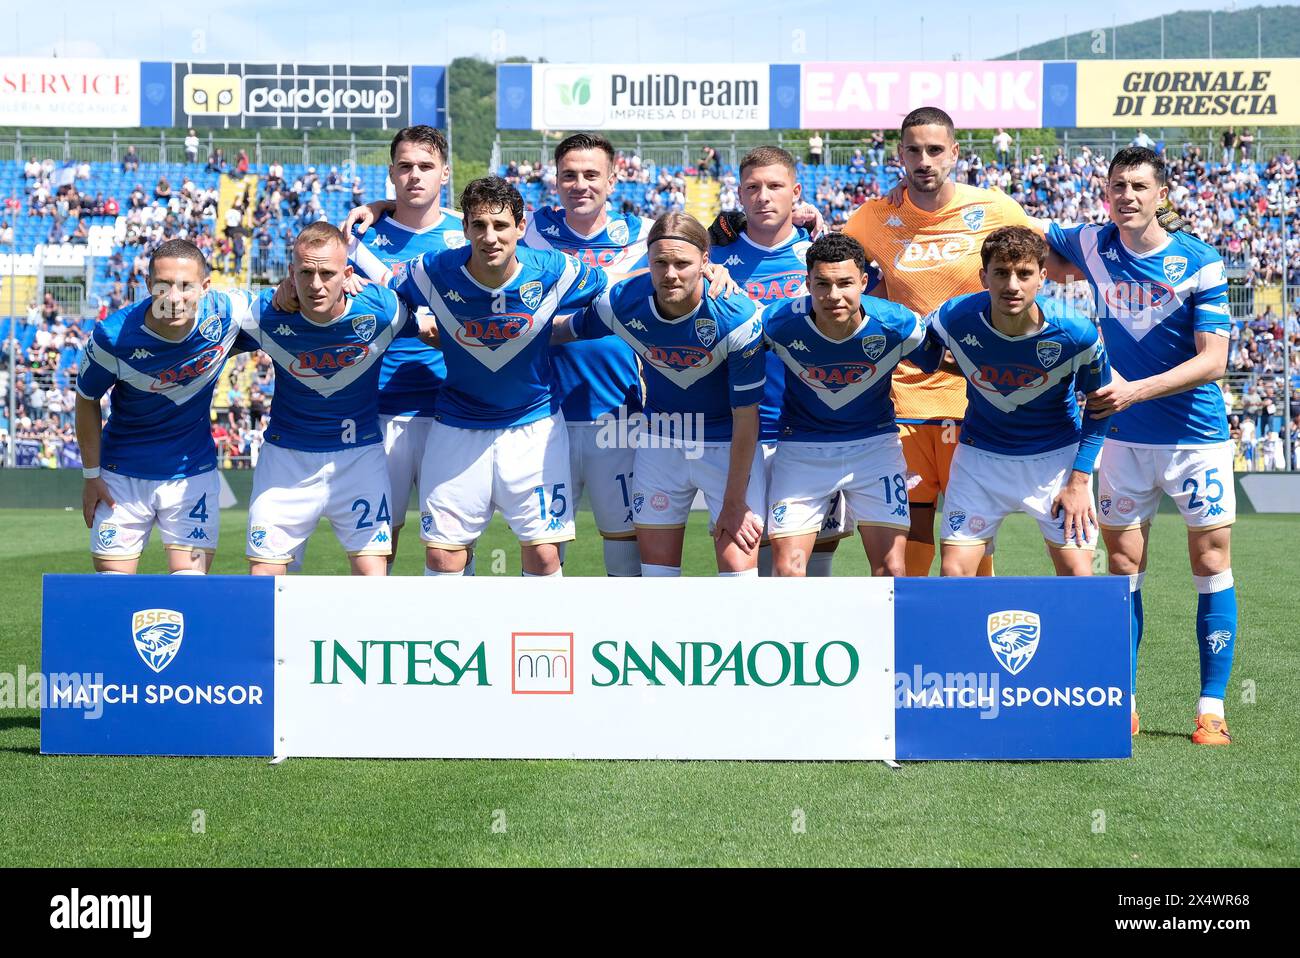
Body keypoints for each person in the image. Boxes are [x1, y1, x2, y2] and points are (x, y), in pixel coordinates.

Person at [1044, 146, 1238, 745]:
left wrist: (1134, 391)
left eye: (1138, 186)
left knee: (1210, 564)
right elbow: (1028, 238)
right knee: (1124, 570)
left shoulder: (1200, 263)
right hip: (1121, 444)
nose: (1126, 195)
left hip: (1193, 439)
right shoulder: (1091, 244)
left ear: (1161, 194)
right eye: (1117, 185)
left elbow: (1214, 361)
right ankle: (1120, 699)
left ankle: (1211, 707)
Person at [374, 177, 611, 578]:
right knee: (443, 557)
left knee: (544, 557)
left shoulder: (557, 270)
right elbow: (381, 301)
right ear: (464, 228)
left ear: (521, 227)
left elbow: (609, 295)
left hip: (534, 428)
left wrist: (561, 329)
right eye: (479, 225)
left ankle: (536, 642)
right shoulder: (431, 271)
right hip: (457, 427)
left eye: (501, 226)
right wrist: (420, 327)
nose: (490, 237)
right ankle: (457, 640)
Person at [841, 107, 1037, 578]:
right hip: (903, 400)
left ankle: (972, 639)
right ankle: (903, 641)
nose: (924, 160)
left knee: (971, 543)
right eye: (914, 150)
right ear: (900, 155)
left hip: (975, 401)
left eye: (934, 150)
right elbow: (832, 270)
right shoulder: (873, 217)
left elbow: (1039, 271)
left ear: (954, 154)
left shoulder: (997, 209)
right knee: (907, 540)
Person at [554, 212, 766, 576]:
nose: (670, 274)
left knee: (738, 576)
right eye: (660, 263)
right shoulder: (620, 302)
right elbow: (565, 329)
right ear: (648, 263)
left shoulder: (738, 318)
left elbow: (747, 418)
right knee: (656, 580)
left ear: (705, 262)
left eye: (682, 263)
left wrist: (734, 502)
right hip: (659, 444)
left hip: (724, 446)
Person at [245, 222, 431, 576]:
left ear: (347, 273)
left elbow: (434, 324)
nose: (316, 285)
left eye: (327, 273)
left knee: (371, 579)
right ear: (291, 273)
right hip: (285, 462)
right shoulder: (264, 315)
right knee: (262, 582)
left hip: (359, 459)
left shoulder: (382, 310)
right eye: (305, 273)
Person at [926, 226, 1111, 576]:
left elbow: (1100, 406)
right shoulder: (954, 316)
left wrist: (1080, 480)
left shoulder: (1076, 333)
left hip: (1055, 460)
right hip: (980, 459)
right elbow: (920, 348)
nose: (1012, 285)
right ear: (983, 277)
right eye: (1000, 273)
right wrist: (967, 365)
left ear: (1042, 277)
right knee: (953, 575)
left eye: (1024, 274)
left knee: (1079, 576)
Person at [74, 240, 257, 574]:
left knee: (189, 588)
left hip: (192, 476)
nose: (174, 299)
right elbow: (86, 398)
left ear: (205, 287)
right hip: (121, 478)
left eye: (186, 287)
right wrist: (91, 475)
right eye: (163, 286)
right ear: (148, 285)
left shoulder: (230, 313)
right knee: (112, 592)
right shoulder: (113, 337)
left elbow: (294, 296)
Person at [764, 233, 938, 577]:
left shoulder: (898, 324)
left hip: (874, 449)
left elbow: (940, 360)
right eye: (822, 284)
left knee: (891, 568)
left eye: (845, 283)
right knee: (787, 570)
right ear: (807, 284)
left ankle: (884, 633)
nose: (833, 296)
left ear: (863, 281)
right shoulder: (776, 323)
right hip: (801, 449)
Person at [338, 126, 465, 573]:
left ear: (444, 173)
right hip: (379, 409)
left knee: (449, 547)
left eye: (426, 166)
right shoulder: (356, 239)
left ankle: (455, 634)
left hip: (454, 409)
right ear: (391, 173)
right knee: (377, 548)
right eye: (405, 166)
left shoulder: (469, 237)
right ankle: (373, 637)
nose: (415, 175)